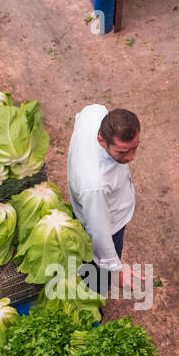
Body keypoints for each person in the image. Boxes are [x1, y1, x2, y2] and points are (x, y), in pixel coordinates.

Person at [66, 105, 139, 294]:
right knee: (97, 276)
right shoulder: (95, 184)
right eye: (122, 152)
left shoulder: (95, 112)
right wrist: (116, 269)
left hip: (94, 206)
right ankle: (93, 305)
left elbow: (80, 115)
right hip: (108, 225)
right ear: (101, 140)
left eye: (134, 147)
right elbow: (98, 233)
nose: (131, 157)